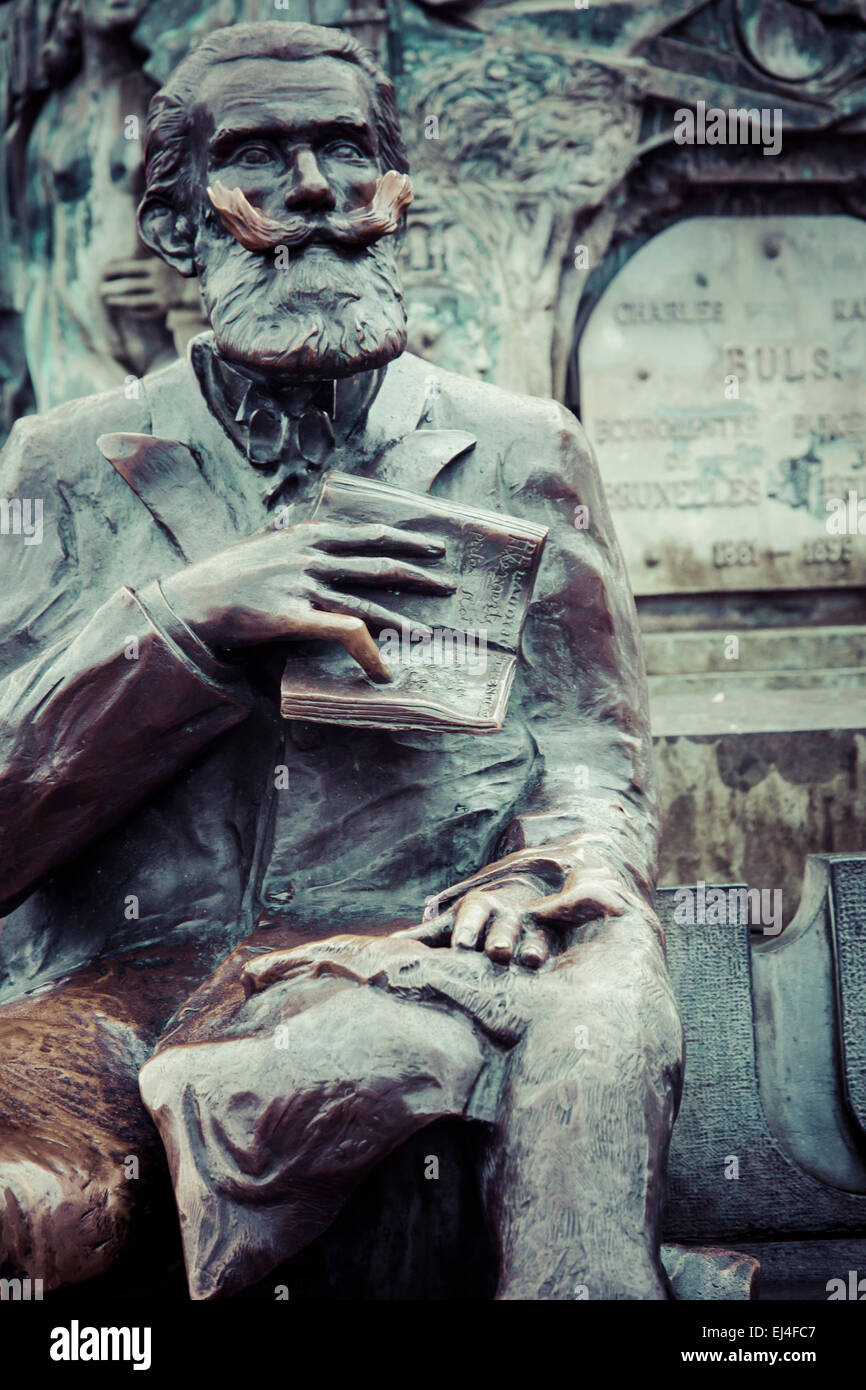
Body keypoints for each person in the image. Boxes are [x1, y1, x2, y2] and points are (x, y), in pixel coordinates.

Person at [0, 21, 682, 1300]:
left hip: (395, 959)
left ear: (395, 193)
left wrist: (552, 866)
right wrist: (186, 627)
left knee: (605, 983)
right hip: (101, 1006)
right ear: (172, 221)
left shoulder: (520, 450)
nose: (313, 191)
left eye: (343, 151)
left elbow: (595, 762)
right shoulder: (59, 464)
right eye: (258, 159)